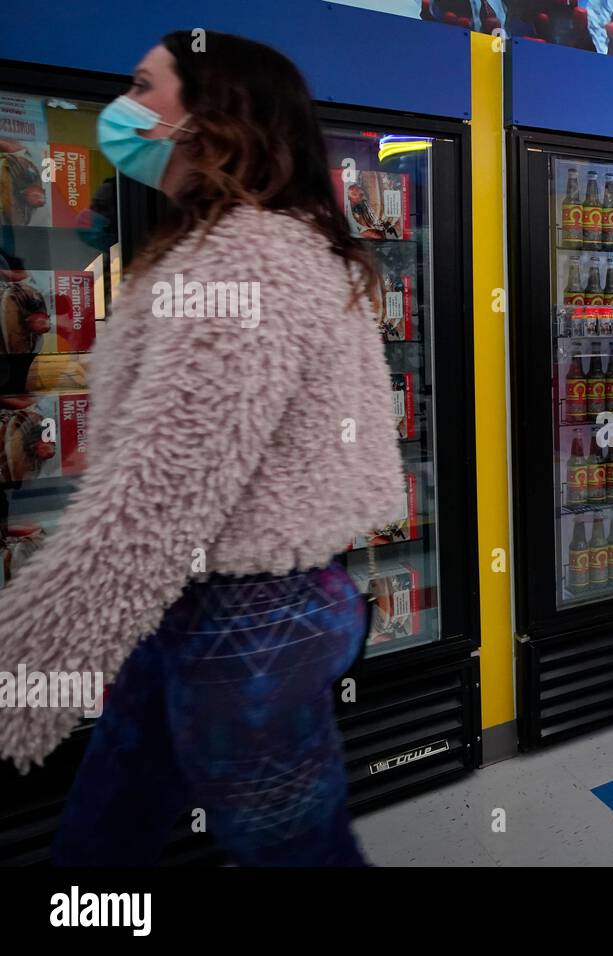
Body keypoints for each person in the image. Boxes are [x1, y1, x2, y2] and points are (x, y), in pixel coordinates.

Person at [0, 32, 405, 866]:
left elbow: (164, 490)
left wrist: (23, 671)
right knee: (107, 831)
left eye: (143, 88)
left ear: (211, 117)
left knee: (290, 851)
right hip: (236, 607)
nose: (122, 109)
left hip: (246, 624)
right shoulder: (260, 245)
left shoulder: (248, 261)